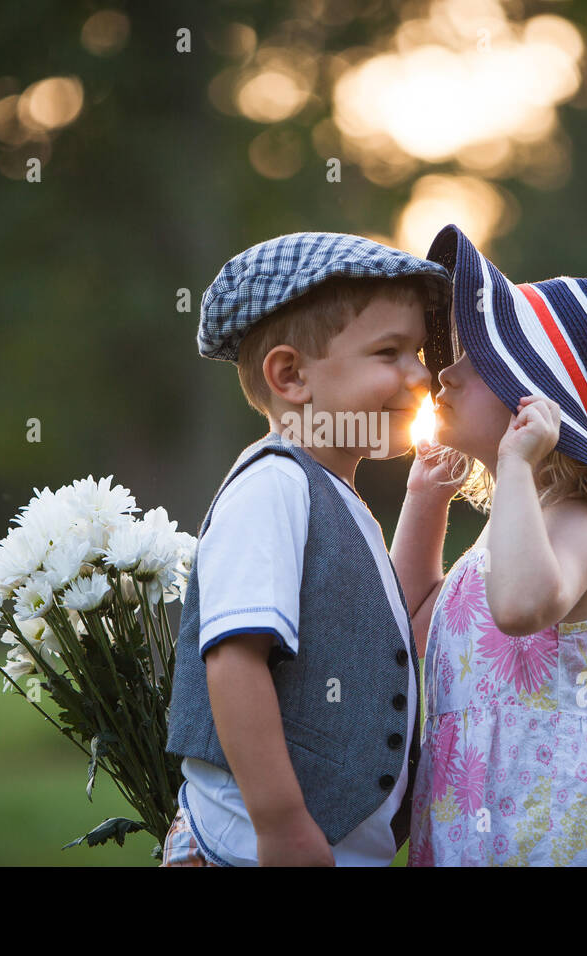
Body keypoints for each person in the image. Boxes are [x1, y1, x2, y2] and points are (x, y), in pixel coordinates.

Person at [161, 232, 452, 866]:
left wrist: (431, 501)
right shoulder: (272, 487)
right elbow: (235, 660)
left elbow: (383, 637)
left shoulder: (334, 497)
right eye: (389, 352)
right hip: (253, 851)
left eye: (420, 352)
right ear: (291, 376)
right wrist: (283, 824)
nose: (421, 373)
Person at [392, 223, 587, 866]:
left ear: (539, 409)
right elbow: (410, 627)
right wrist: (425, 500)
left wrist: (514, 466)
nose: (448, 371)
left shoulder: (582, 527)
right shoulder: (504, 534)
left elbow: (519, 608)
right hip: (470, 818)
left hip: (548, 826)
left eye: (481, 360)